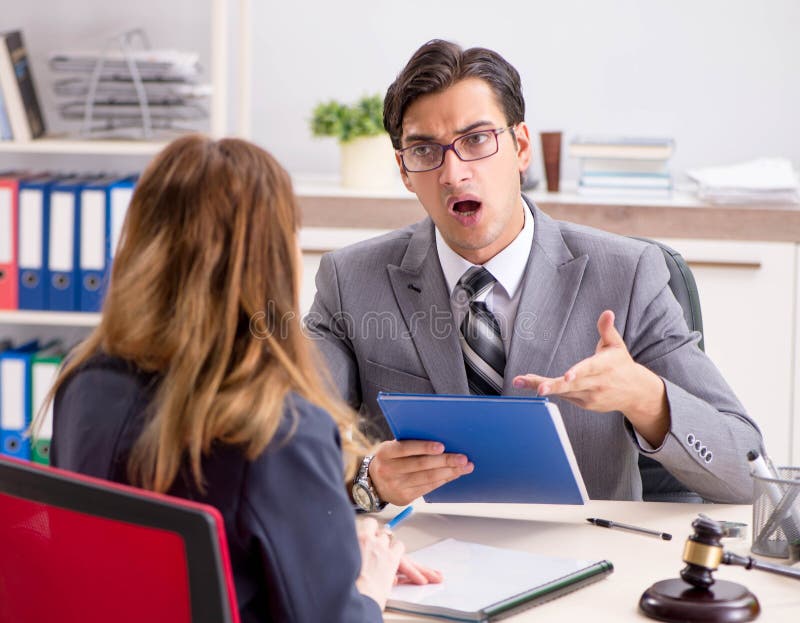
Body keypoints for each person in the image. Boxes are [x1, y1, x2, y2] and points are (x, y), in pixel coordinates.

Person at [305, 39, 762, 508]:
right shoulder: (349, 280)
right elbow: (288, 452)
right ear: (404, 171)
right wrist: (367, 478)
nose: (453, 173)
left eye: (477, 140)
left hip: (588, 564)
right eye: (424, 150)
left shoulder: (628, 277)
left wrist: (648, 399)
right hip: (422, 567)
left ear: (521, 147)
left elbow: (749, 475)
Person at [42, 135, 439, 623]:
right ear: (271, 261)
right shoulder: (277, 429)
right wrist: (367, 584)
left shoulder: (84, 382)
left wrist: (323, 544)